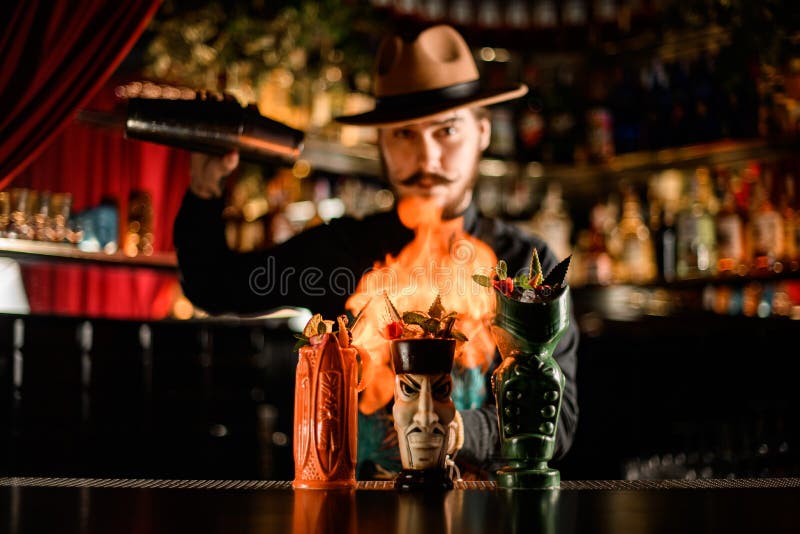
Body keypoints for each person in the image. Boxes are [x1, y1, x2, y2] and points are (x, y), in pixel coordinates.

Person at [173, 24, 579, 480]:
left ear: (482, 132)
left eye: (446, 130)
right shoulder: (341, 250)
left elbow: (558, 424)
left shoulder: (523, 266)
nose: (427, 155)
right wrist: (205, 184)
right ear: (381, 143)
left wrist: (459, 431)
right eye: (404, 134)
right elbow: (213, 286)